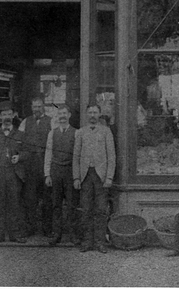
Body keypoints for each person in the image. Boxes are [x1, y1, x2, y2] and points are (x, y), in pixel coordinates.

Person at [73, 103, 116, 253]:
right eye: (90, 112)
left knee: (101, 210)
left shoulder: (106, 132)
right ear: (86, 114)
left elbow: (111, 156)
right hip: (85, 176)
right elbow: (76, 157)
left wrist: (109, 177)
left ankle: (100, 242)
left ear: (99, 114)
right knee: (85, 210)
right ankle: (87, 241)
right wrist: (76, 177)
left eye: (95, 112)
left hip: (100, 177)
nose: (92, 115)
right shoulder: (81, 132)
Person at [0, 101, 28, 244]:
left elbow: (28, 153)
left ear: (14, 115)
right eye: (3, 114)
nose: (7, 117)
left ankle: (15, 234)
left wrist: (19, 157)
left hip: (14, 174)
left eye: (9, 114)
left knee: (14, 204)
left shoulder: (21, 135)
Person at [44, 103, 80, 245]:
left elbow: (77, 156)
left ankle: (73, 235)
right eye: (60, 114)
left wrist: (77, 176)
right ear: (57, 116)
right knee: (56, 205)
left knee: (72, 204)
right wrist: (47, 174)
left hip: (70, 171)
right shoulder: (52, 133)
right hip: (56, 171)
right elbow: (48, 154)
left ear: (69, 115)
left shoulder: (76, 133)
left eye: (65, 114)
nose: (62, 117)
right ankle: (56, 234)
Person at [19, 95, 53, 237]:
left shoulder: (51, 121)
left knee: (47, 198)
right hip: (30, 165)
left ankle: (47, 229)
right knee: (30, 198)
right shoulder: (25, 122)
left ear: (44, 106)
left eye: (39, 106)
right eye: (34, 106)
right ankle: (30, 228)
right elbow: (19, 141)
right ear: (31, 108)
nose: (37, 109)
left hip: (45, 163)